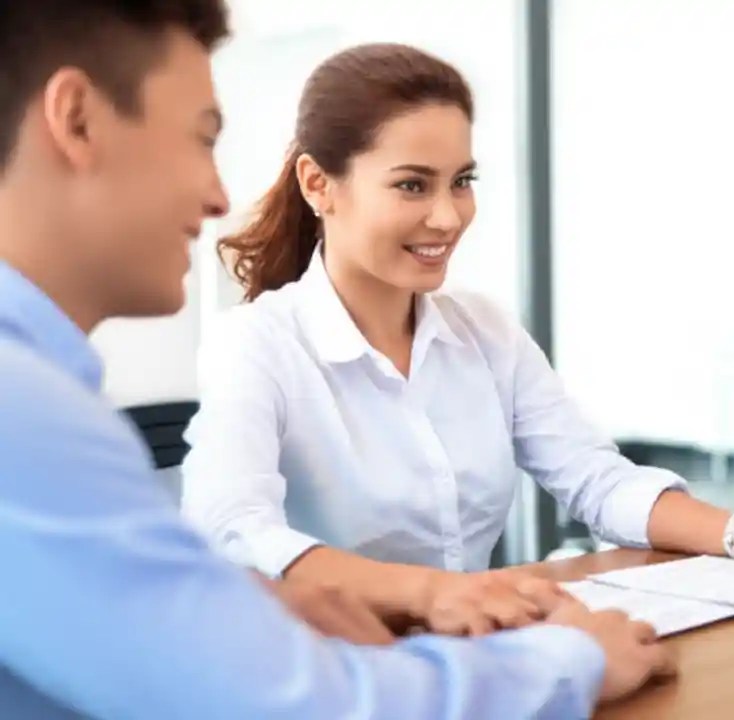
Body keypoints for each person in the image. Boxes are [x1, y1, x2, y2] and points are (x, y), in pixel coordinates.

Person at [0, 1, 674, 717]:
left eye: (461, 181)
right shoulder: (26, 416)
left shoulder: (41, 398)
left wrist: (263, 605)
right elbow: (298, 702)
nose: (218, 193)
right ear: (75, 119)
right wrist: (570, 660)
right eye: (200, 140)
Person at [180, 41, 734, 637]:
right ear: (318, 184)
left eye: (461, 180)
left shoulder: (482, 330)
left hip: (477, 650)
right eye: (411, 186)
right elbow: (234, 533)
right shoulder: (259, 344)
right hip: (338, 672)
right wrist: (431, 594)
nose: (447, 216)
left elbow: (595, 479)